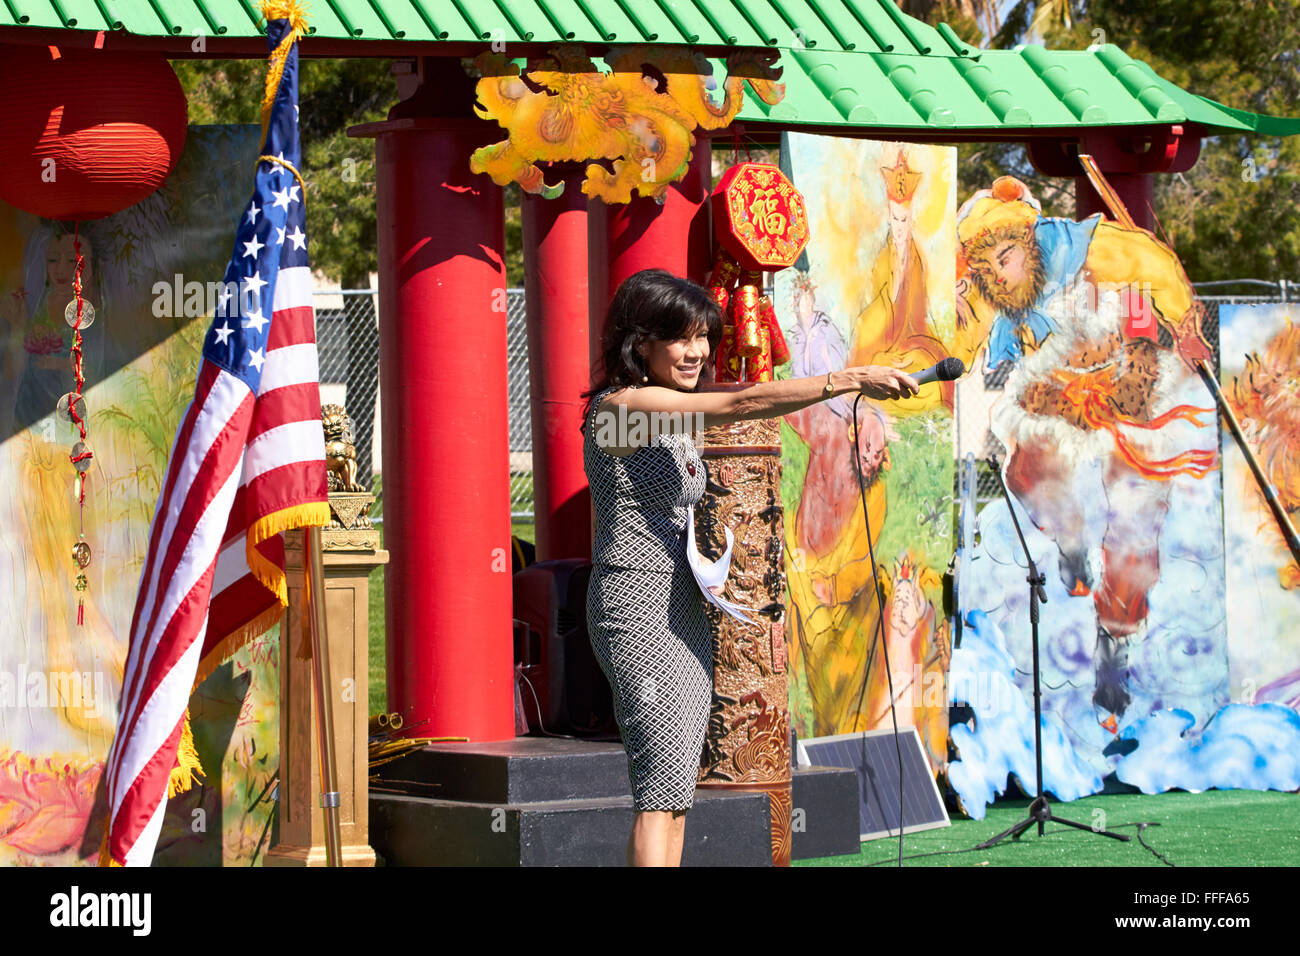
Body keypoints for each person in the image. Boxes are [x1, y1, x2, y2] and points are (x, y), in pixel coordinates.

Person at [581, 268, 918, 866]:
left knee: (675, 787)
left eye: (705, 337)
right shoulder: (619, 410)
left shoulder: (675, 410)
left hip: (681, 608)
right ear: (639, 343)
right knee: (657, 788)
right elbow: (742, 401)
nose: (698, 351)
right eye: (681, 338)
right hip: (635, 608)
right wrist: (849, 379)